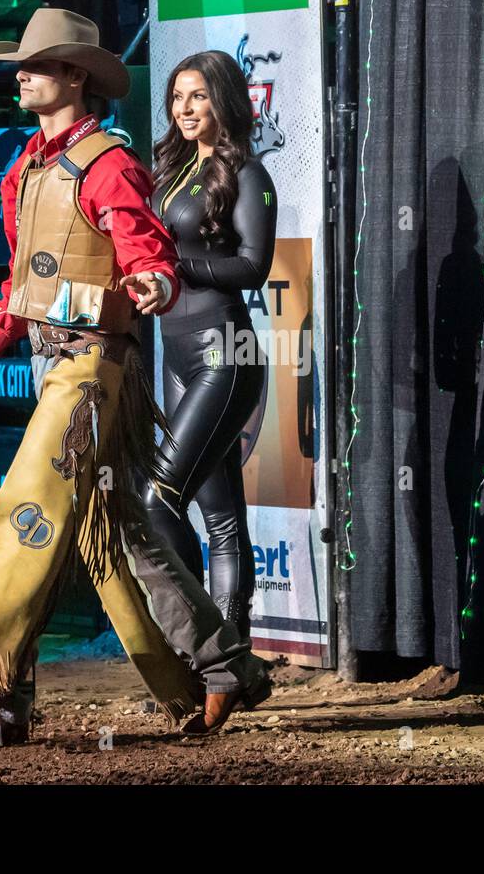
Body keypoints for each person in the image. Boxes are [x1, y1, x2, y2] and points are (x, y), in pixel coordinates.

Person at [0, 9, 270, 746]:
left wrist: (154, 281)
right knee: (113, 538)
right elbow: (22, 282)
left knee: (22, 518)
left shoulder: (110, 163)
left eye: (37, 65)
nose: (20, 75)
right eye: (20, 65)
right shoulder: (28, 168)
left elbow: (144, 250)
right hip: (60, 365)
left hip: (92, 370)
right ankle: (217, 669)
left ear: (75, 77)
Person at [143, 50, 277, 640]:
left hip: (224, 352)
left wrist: (177, 264)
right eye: (177, 97)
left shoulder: (248, 174)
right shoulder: (169, 172)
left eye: (197, 96)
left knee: (156, 500)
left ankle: (206, 647)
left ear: (222, 100)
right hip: (174, 352)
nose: (185, 108)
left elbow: (254, 266)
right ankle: (228, 655)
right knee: (220, 516)